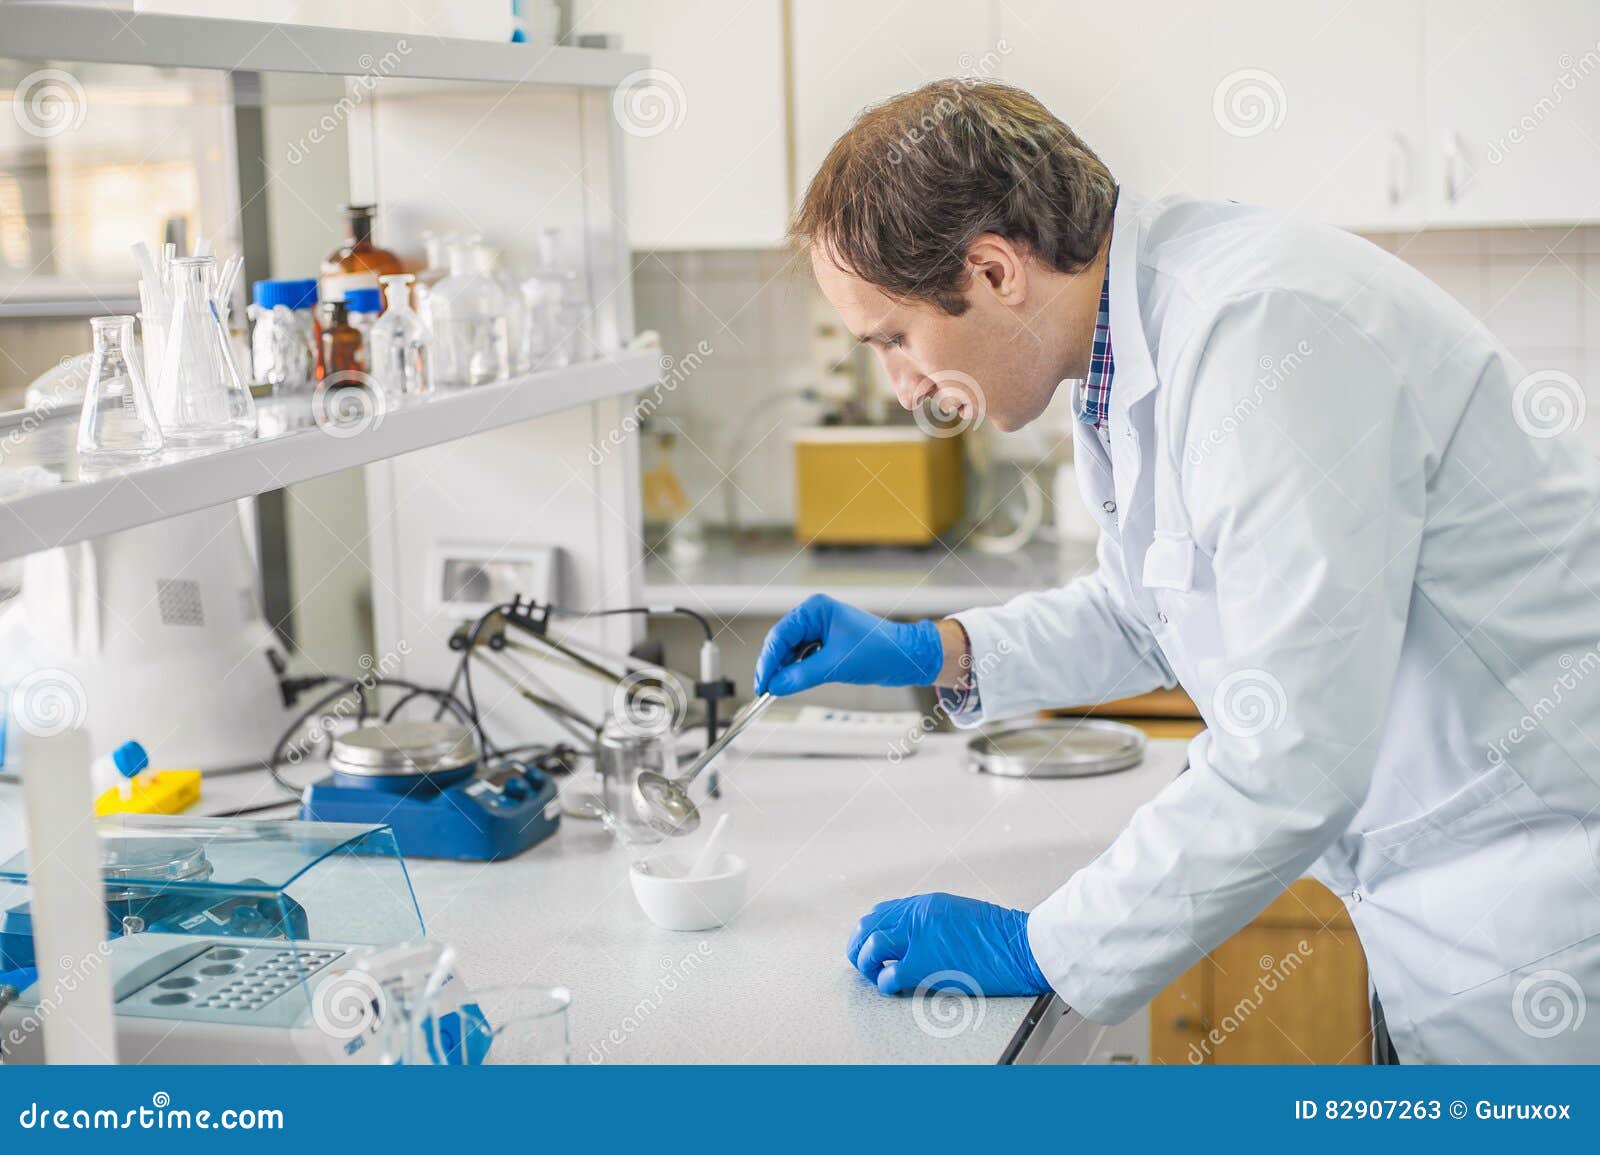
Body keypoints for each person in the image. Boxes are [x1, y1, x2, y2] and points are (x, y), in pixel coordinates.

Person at [753, 80, 1600, 1063]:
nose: (901, 387)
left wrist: (1043, 945)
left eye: (893, 339)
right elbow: (1152, 607)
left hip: (1537, 914)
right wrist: (938, 651)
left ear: (991, 271)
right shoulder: (1123, 345)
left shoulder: (1264, 334)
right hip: (1441, 906)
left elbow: (1293, 753)